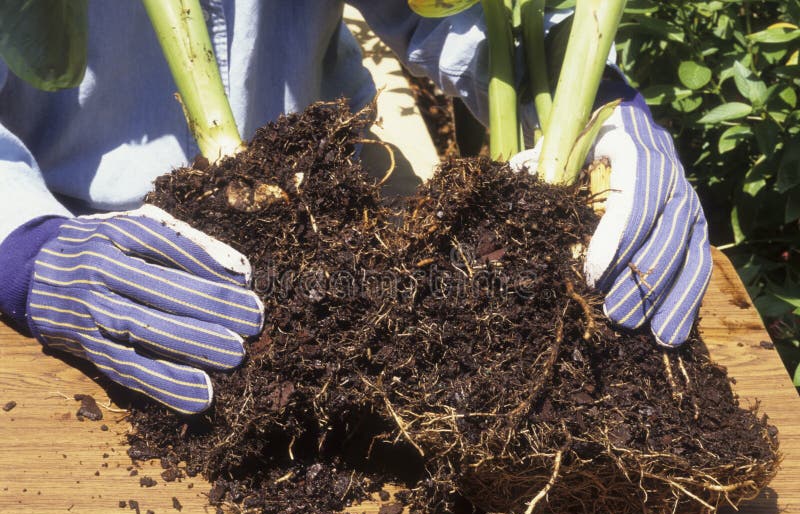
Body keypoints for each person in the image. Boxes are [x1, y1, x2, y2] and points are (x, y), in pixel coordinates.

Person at [0, 1, 712, 414]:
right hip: (82, 235)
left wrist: (603, 108)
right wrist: (28, 250)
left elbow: (456, 15)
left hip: (330, 215)